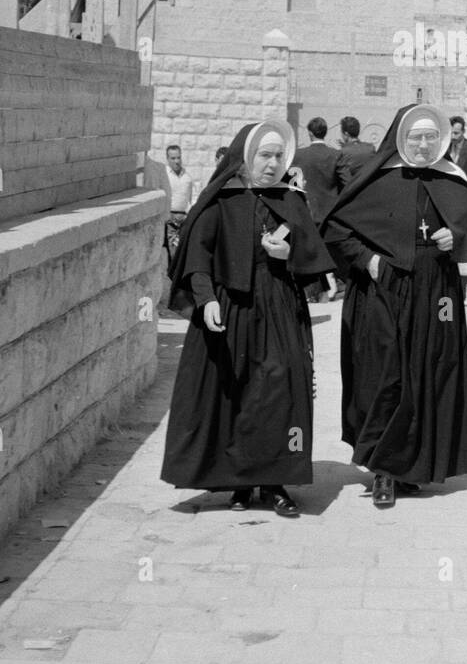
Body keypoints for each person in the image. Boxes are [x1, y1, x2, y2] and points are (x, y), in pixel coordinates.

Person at [321, 104, 467, 509]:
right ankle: (383, 469)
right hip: (386, 290)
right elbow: (335, 229)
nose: (422, 144)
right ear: (401, 138)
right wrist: (369, 260)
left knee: (429, 373)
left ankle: (415, 467)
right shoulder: (377, 178)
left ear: (442, 140)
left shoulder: (452, 178)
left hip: (436, 291)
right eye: (415, 137)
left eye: (430, 137)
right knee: (387, 375)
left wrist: (456, 236)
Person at [161, 121, 334, 516]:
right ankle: (239, 482)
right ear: (245, 157)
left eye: (279, 156)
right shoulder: (221, 198)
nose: (273, 164)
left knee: (278, 390)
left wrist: (286, 256)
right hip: (230, 307)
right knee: (236, 392)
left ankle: (275, 482)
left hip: (279, 307)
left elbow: (312, 259)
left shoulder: (291, 200)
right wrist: (205, 299)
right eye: (265, 156)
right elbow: (197, 257)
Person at [293, 117, 343, 300]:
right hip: (330, 212)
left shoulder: (298, 155)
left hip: (307, 210)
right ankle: (334, 285)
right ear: (326, 132)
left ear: (310, 132)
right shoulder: (336, 155)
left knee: (310, 251)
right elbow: (346, 184)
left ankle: (315, 291)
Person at [163, 143, 199, 275]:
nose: (177, 161)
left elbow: (192, 197)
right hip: (169, 219)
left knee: (182, 251)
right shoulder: (165, 176)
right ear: (167, 158)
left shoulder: (187, 176)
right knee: (172, 253)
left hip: (184, 219)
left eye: (178, 157)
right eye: (173, 158)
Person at [335, 115, 377, 190]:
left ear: (346, 134)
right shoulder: (370, 148)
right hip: (369, 189)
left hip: (352, 192)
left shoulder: (342, 152)